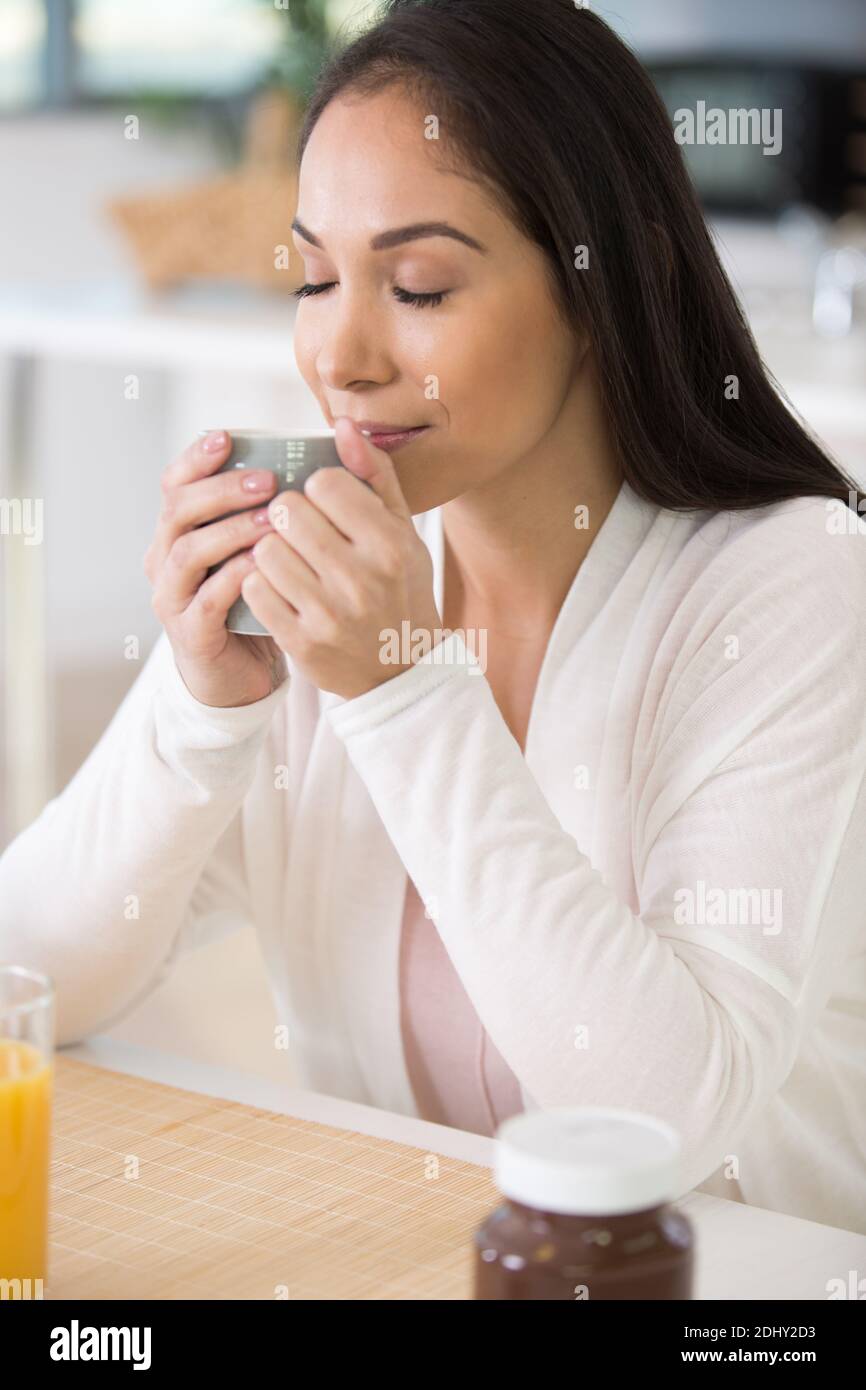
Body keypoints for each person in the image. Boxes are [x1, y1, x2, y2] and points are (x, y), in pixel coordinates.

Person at [2, 0, 865, 1234]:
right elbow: (23, 975)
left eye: (415, 285)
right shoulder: (333, 591)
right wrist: (202, 710)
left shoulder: (786, 585)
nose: (337, 353)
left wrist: (402, 693)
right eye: (310, 276)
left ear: (594, 285)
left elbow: (666, 1124)